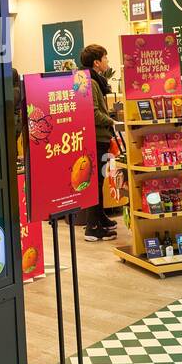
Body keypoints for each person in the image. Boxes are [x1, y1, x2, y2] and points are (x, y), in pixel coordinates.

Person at [79, 44, 117, 241]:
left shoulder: (91, 80)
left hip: (98, 137)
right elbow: (93, 113)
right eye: (105, 58)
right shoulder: (92, 83)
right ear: (96, 62)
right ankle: (92, 227)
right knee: (96, 181)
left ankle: (100, 218)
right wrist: (112, 121)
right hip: (96, 138)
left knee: (98, 180)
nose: (107, 62)